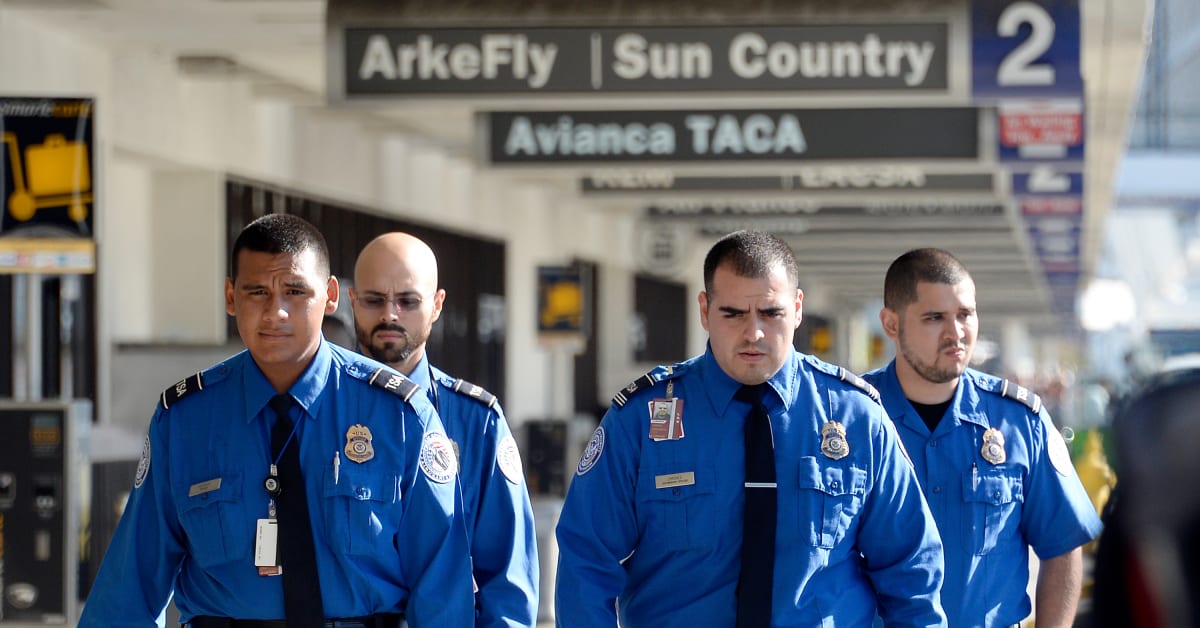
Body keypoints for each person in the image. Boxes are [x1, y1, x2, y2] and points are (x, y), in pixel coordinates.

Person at [79, 213, 475, 627]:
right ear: (231, 297)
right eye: (257, 292)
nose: (276, 312)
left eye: (295, 291)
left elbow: (443, 589)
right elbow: (130, 589)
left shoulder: (399, 415)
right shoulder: (184, 421)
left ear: (330, 296)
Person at [554, 230, 946, 627]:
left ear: (797, 309)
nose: (754, 333)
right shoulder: (642, 419)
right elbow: (587, 560)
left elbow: (910, 570)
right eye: (733, 313)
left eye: (771, 313)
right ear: (705, 310)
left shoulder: (856, 418)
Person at [862, 248, 1102, 628]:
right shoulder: (851, 419)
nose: (955, 333)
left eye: (965, 314)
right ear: (891, 324)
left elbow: (1062, 546)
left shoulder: (1019, 422)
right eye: (934, 317)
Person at [350, 232, 539, 627]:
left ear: (437, 305)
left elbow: (508, 582)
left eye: (408, 301)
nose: (390, 315)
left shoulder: (477, 422)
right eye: (374, 300)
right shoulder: (317, 410)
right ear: (351, 300)